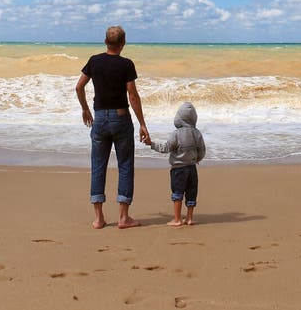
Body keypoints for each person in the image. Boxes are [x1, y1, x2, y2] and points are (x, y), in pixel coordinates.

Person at [76, 25, 150, 229]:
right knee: (125, 166)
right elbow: (132, 95)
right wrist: (142, 123)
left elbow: (79, 86)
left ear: (105, 41)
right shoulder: (126, 64)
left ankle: (99, 218)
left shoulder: (94, 60)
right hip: (120, 118)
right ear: (123, 43)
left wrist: (85, 109)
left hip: (99, 119)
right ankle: (123, 218)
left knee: (98, 166)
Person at [145, 101, 205, 227]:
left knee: (177, 193)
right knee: (191, 192)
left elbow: (166, 148)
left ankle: (177, 219)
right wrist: (197, 159)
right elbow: (202, 150)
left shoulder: (176, 134)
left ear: (179, 118)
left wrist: (151, 144)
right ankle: (189, 218)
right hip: (192, 168)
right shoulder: (197, 133)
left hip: (178, 169)